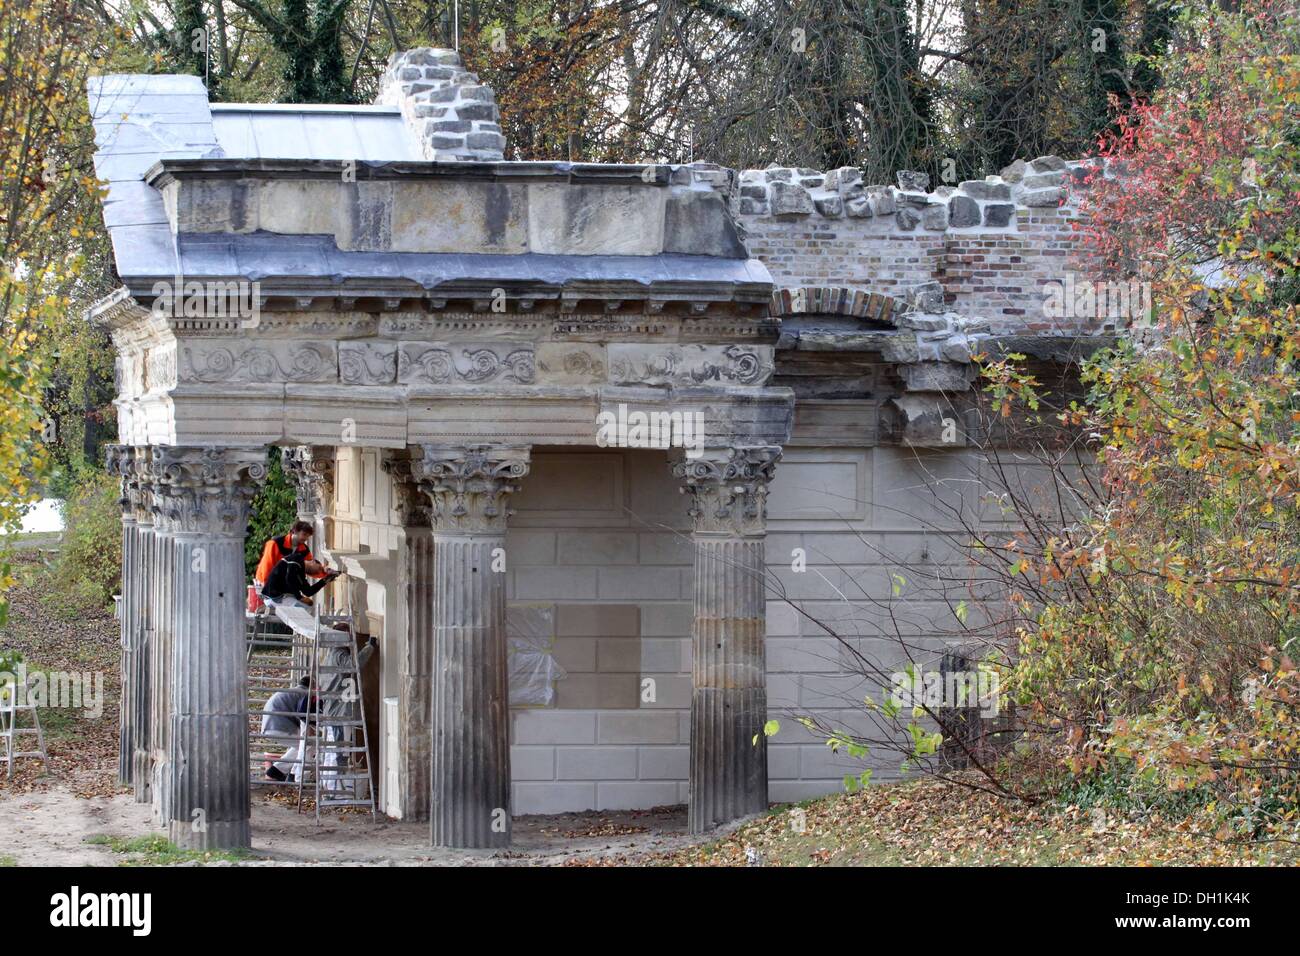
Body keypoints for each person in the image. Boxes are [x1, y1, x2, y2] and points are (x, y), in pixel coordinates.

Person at [261, 676, 317, 782]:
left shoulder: (293, 692)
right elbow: (303, 717)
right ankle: (297, 776)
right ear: (313, 686)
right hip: (280, 726)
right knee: (309, 744)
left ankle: (277, 771)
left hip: (270, 727)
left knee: (302, 746)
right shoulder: (305, 694)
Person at [254, 520, 326, 587]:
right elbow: (267, 566)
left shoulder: (304, 549)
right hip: (263, 583)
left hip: (281, 584)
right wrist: (268, 587)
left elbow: (310, 568)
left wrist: (325, 573)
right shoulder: (275, 543)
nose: (306, 538)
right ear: (294, 531)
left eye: (307, 536)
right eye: (304, 534)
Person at [261, 550, 340, 609]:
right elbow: (289, 578)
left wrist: (326, 579)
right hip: (274, 596)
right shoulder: (297, 558)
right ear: (313, 561)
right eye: (318, 568)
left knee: (309, 606)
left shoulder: (301, 576)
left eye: (318, 572)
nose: (316, 572)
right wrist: (300, 598)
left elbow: (309, 592)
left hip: (277, 599)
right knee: (306, 609)